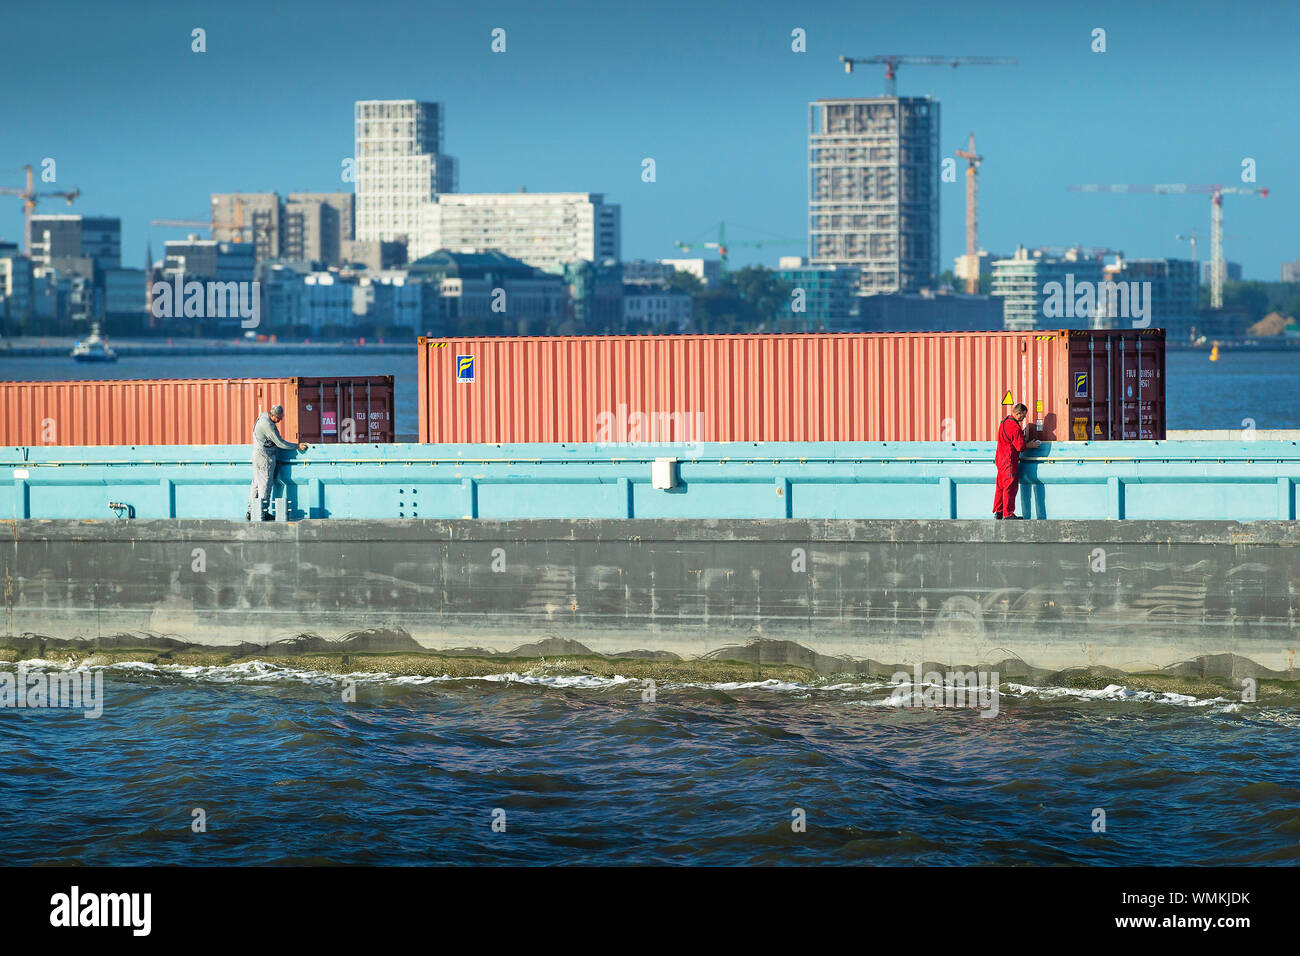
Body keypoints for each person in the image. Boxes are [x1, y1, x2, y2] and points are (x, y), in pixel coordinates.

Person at [246, 405, 308, 521]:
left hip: (257, 454)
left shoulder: (263, 417)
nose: (280, 420)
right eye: (279, 418)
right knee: (265, 484)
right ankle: (262, 512)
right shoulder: (268, 425)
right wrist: (297, 446)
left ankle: (251, 511)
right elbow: (280, 443)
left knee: (256, 483)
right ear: (273, 415)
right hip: (264, 457)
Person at [993, 402, 1041, 520]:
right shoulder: (1014, 427)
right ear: (1018, 413)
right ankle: (1008, 514)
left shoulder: (1003, 422)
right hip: (1009, 461)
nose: (1023, 419)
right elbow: (1020, 447)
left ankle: (998, 511)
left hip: (1000, 459)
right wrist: (1030, 445)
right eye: (1023, 416)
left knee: (1000, 486)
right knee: (1010, 487)